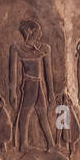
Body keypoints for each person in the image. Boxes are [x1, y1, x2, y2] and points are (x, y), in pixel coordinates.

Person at [10, 19, 55, 150]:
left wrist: (51, 92)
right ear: (30, 31)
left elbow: (48, 73)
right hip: (29, 85)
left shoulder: (45, 48)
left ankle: (51, 144)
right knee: (25, 113)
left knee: (43, 113)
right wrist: (12, 92)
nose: (40, 34)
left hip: (39, 85)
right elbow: (13, 73)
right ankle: (23, 144)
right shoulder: (17, 48)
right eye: (38, 31)